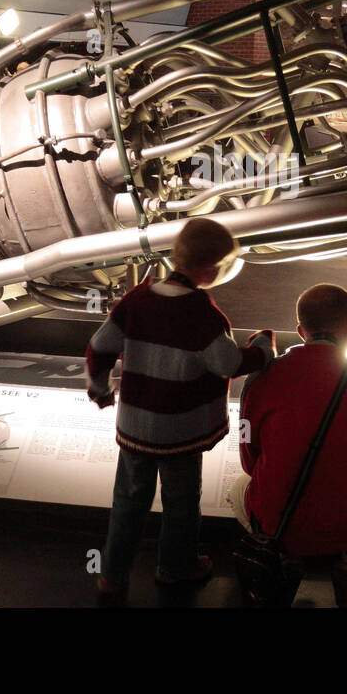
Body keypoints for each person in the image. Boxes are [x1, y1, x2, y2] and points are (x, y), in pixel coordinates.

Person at [84, 217, 275, 595]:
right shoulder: (201, 314)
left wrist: (99, 387)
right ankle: (175, 567)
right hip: (181, 434)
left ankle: (111, 575)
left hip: (136, 429)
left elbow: (100, 346)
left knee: (127, 500)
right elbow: (227, 363)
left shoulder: (137, 299)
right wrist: (263, 351)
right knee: (181, 503)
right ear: (209, 272)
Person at [229, 284, 347, 606]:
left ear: (299, 330)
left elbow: (249, 460)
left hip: (279, 523)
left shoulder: (260, 379)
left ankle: (282, 555)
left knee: (238, 487)